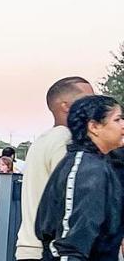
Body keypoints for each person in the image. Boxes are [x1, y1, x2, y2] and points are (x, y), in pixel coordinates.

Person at [36, 95, 124, 260]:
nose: (123, 126)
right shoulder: (87, 169)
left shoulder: (99, 164)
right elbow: (69, 247)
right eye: (117, 120)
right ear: (94, 126)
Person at [15, 76, 94, 261]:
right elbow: (73, 199)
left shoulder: (43, 140)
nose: (95, 104)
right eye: (88, 99)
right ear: (66, 106)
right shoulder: (66, 141)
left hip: (31, 248)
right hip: (53, 251)